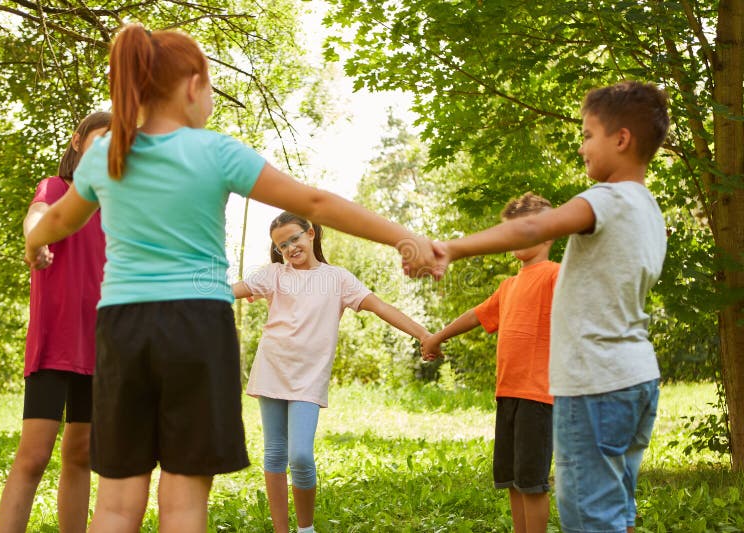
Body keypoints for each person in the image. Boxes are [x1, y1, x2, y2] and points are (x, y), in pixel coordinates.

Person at [24, 24, 439, 533]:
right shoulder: (216, 151)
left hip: (121, 328)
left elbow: (56, 221)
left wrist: (34, 243)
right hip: (196, 324)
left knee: (115, 504)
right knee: (183, 503)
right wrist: (403, 237)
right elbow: (314, 202)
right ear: (193, 86)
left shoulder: (107, 156)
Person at [431, 81, 669, 533]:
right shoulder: (650, 211)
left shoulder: (607, 198)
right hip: (637, 380)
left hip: (595, 384)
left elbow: (533, 228)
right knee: (618, 509)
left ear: (621, 139)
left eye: (587, 135)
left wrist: (451, 248)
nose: (582, 147)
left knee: (589, 517)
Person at [232, 211, 430, 533]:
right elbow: (231, 290)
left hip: (308, 378)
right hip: (271, 369)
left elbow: (380, 307)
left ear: (311, 233)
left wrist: (423, 334)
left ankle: (305, 529)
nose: (290, 248)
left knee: (300, 455)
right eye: (282, 245)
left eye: (295, 238)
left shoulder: (338, 279)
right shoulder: (273, 275)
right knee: (275, 453)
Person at [0, 111, 111, 533]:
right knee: (34, 455)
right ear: (78, 141)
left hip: (100, 344)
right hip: (56, 341)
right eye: (101, 139)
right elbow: (36, 216)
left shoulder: (115, 208)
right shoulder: (57, 188)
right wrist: (35, 242)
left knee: (80, 453)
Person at [422, 192, 558, 533]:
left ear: (549, 234)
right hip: (508, 393)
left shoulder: (557, 275)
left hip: (539, 396)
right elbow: (475, 315)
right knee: (512, 478)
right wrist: (438, 336)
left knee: (532, 481)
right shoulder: (508, 286)